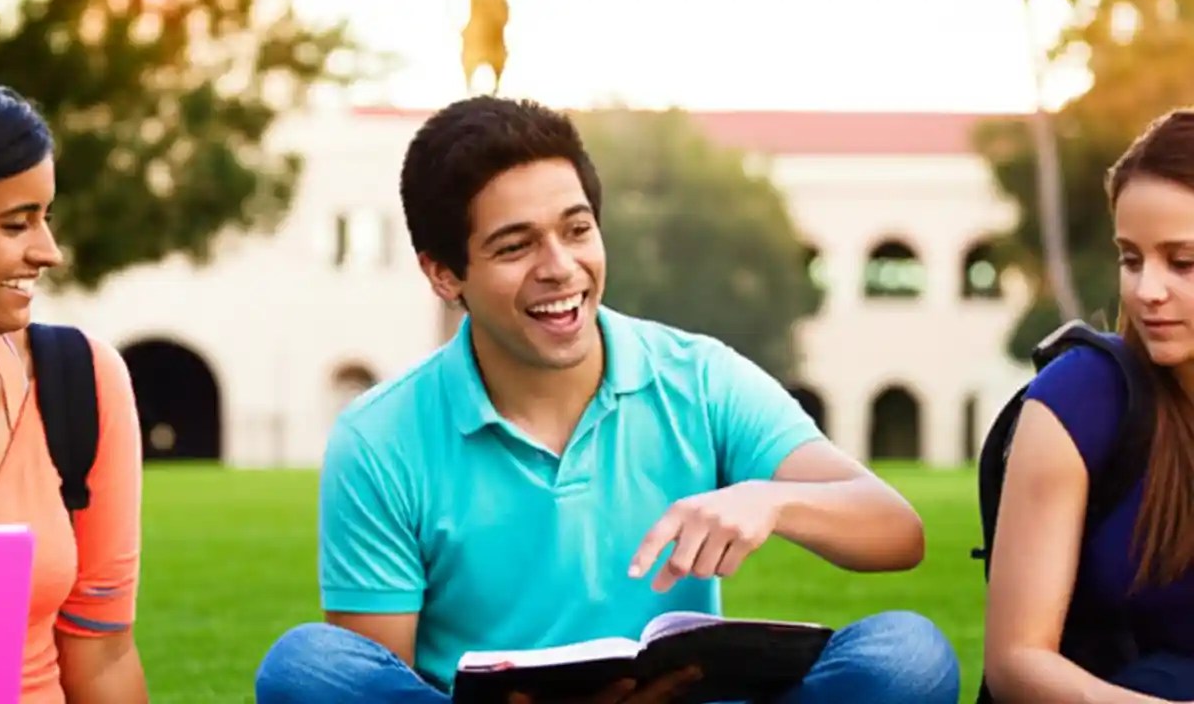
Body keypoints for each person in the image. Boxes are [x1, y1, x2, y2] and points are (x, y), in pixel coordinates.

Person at [255, 95, 959, 704]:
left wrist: (769, 500)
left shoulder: (699, 378)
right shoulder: (381, 437)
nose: (560, 268)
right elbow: (377, 675)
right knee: (306, 667)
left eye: (576, 228)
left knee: (909, 657)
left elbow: (896, 533)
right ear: (444, 274)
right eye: (514, 246)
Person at [0, 71, 148, 703]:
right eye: (16, 225)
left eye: (46, 219)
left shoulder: (78, 383)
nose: (50, 252)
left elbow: (101, 654)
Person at [982, 109, 1194, 703]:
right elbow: (1016, 661)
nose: (1147, 291)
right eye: (1132, 259)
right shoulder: (1082, 398)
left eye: (1183, 263)